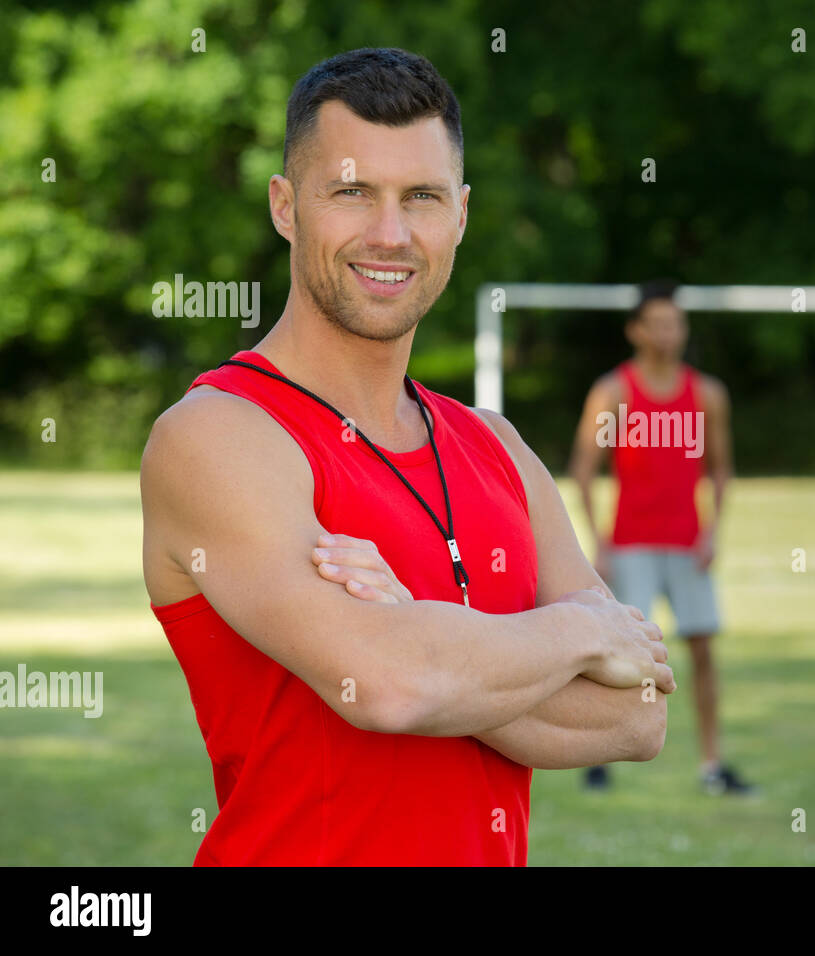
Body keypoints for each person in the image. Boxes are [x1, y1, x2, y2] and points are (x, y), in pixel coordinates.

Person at [140, 48, 674, 866]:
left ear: (459, 214)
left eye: (420, 197)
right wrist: (575, 630)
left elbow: (637, 715)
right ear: (286, 206)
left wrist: (420, 638)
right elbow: (386, 689)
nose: (389, 235)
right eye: (351, 192)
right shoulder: (219, 435)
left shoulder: (498, 449)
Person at [570, 281, 753, 795]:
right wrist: (599, 539)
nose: (669, 333)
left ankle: (711, 765)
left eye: (677, 323)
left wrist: (714, 530)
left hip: (687, 543)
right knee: (620, 656)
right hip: (630, 543)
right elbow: (584, 467)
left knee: (701, 649)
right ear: (636, 330)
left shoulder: (708, 394)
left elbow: (721, 468)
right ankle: (599, 757)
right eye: (659, 323)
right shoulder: (615, 392)